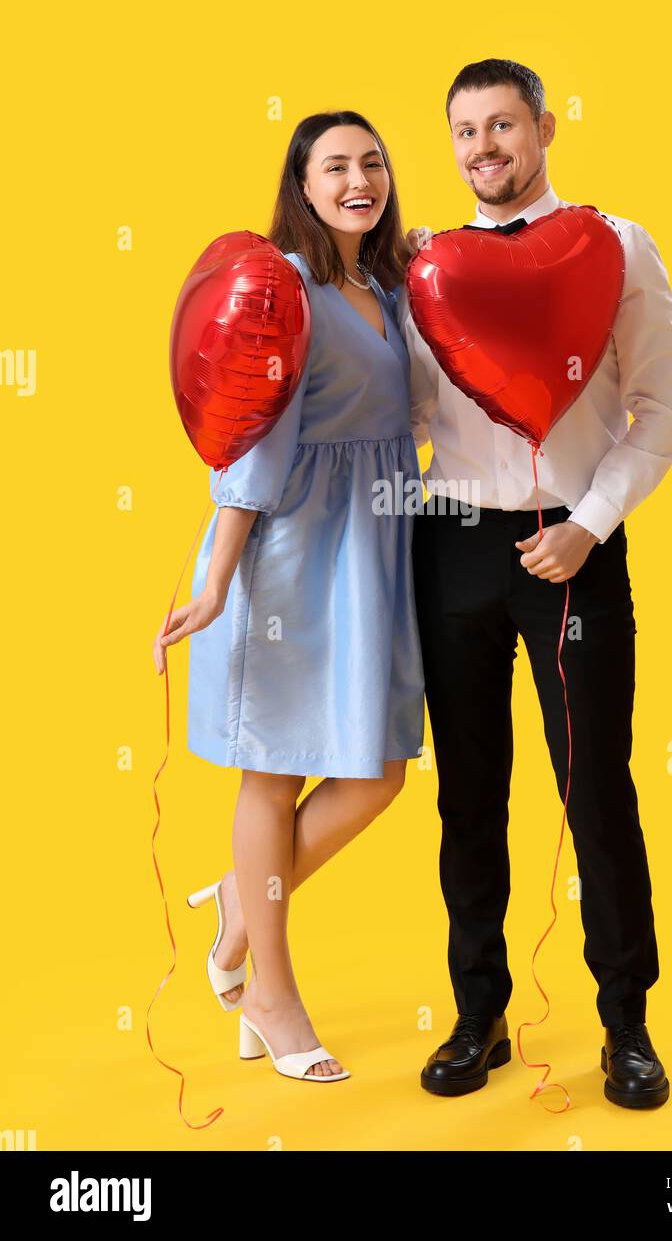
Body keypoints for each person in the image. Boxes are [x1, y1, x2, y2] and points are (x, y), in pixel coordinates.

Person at [399, 58, 672, 1106]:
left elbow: (663, 409)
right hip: (454, 548)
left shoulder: (618, 248)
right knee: (469, 798)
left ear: (546, 129)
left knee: (596, 789)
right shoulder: (425, 264)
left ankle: (627, 1025)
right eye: (465, 132)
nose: (484, 148)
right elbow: (408, 414)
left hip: (574, 547)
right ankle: (477, 1015)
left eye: (503, 126)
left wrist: (588, 524)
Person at [153, 111, 425, 1082]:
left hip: (375, 550)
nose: (360, 178)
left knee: (378, 772)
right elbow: (251, 445)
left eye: (373, 161)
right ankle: (270, 994)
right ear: (301, 186)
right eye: (336, 166)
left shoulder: (385, 283)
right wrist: (218, 582)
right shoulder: (286, 289)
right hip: (288, 553)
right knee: (272, 772)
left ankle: (239, 904)